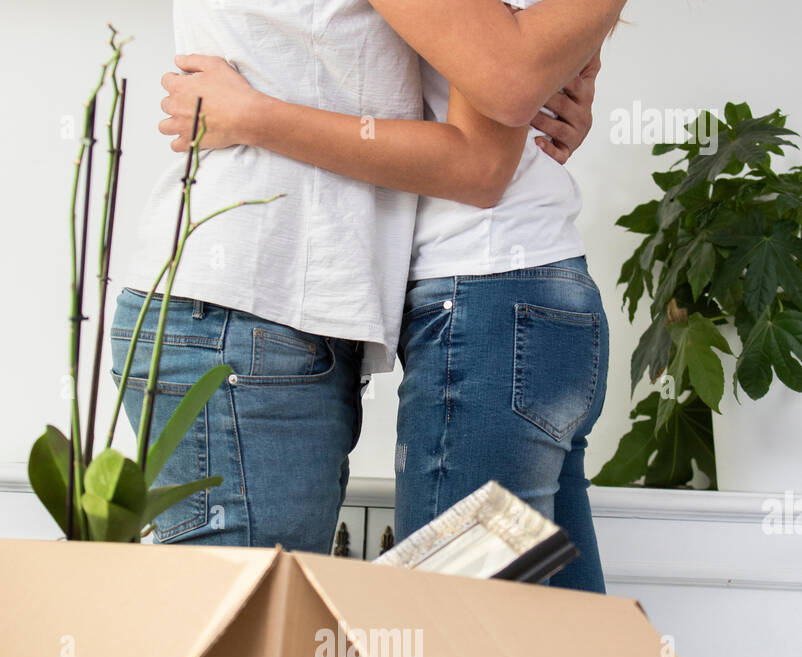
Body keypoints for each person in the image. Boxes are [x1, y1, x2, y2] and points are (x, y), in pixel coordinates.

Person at [150, 1, 712, 657]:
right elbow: (517, 85)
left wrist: (251, 117)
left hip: (486, 330)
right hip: (536, 320)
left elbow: (484, 152)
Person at [112, 0, 623, 549]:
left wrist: (255, 117)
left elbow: (496, 116)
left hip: (453, 300)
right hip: (251, 306)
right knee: (500, 620)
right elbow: (495, 118)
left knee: (473, 620)